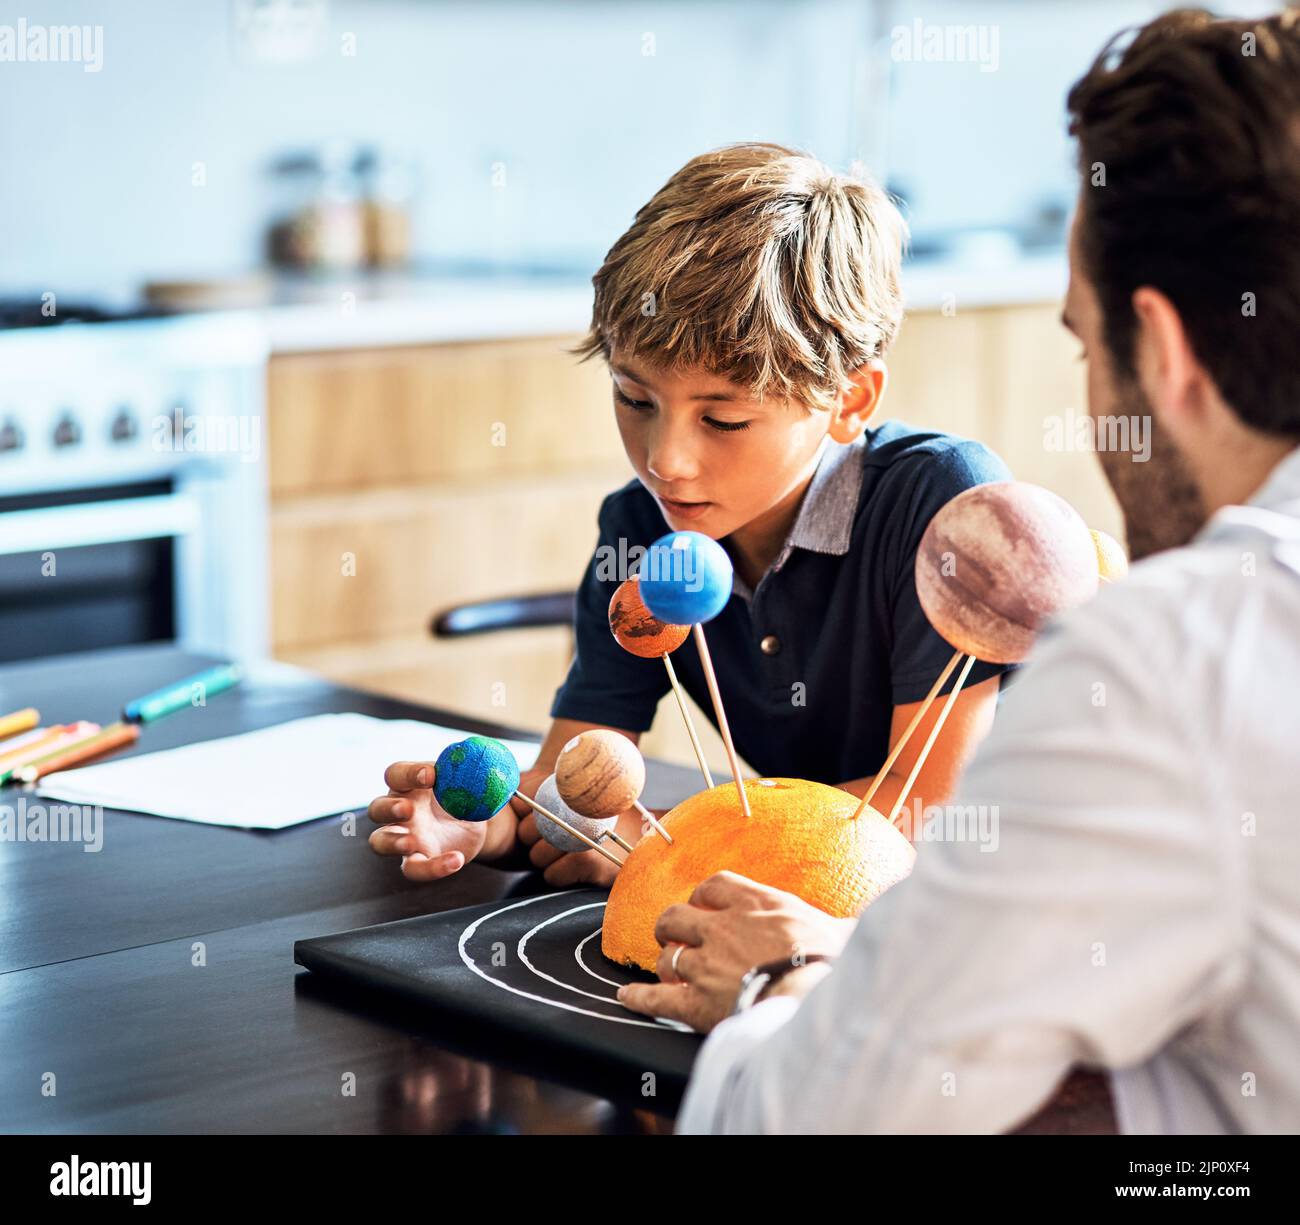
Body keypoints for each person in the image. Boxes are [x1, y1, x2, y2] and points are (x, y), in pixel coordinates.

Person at [619, 7, 1300, 1135]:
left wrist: (780, 986)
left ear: (1165, 353)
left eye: (1085, 345)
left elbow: (804, 1120)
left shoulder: (1169, 664)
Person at [368, 143, 1014, 890]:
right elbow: (574, 791)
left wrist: (663, 846)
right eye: (635, 399)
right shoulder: (642, 528)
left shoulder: (940, 506)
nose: (664, 460)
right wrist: (492, 821)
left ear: (851, 400)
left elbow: (922, 813)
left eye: (725, 420)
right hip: (805, 899)